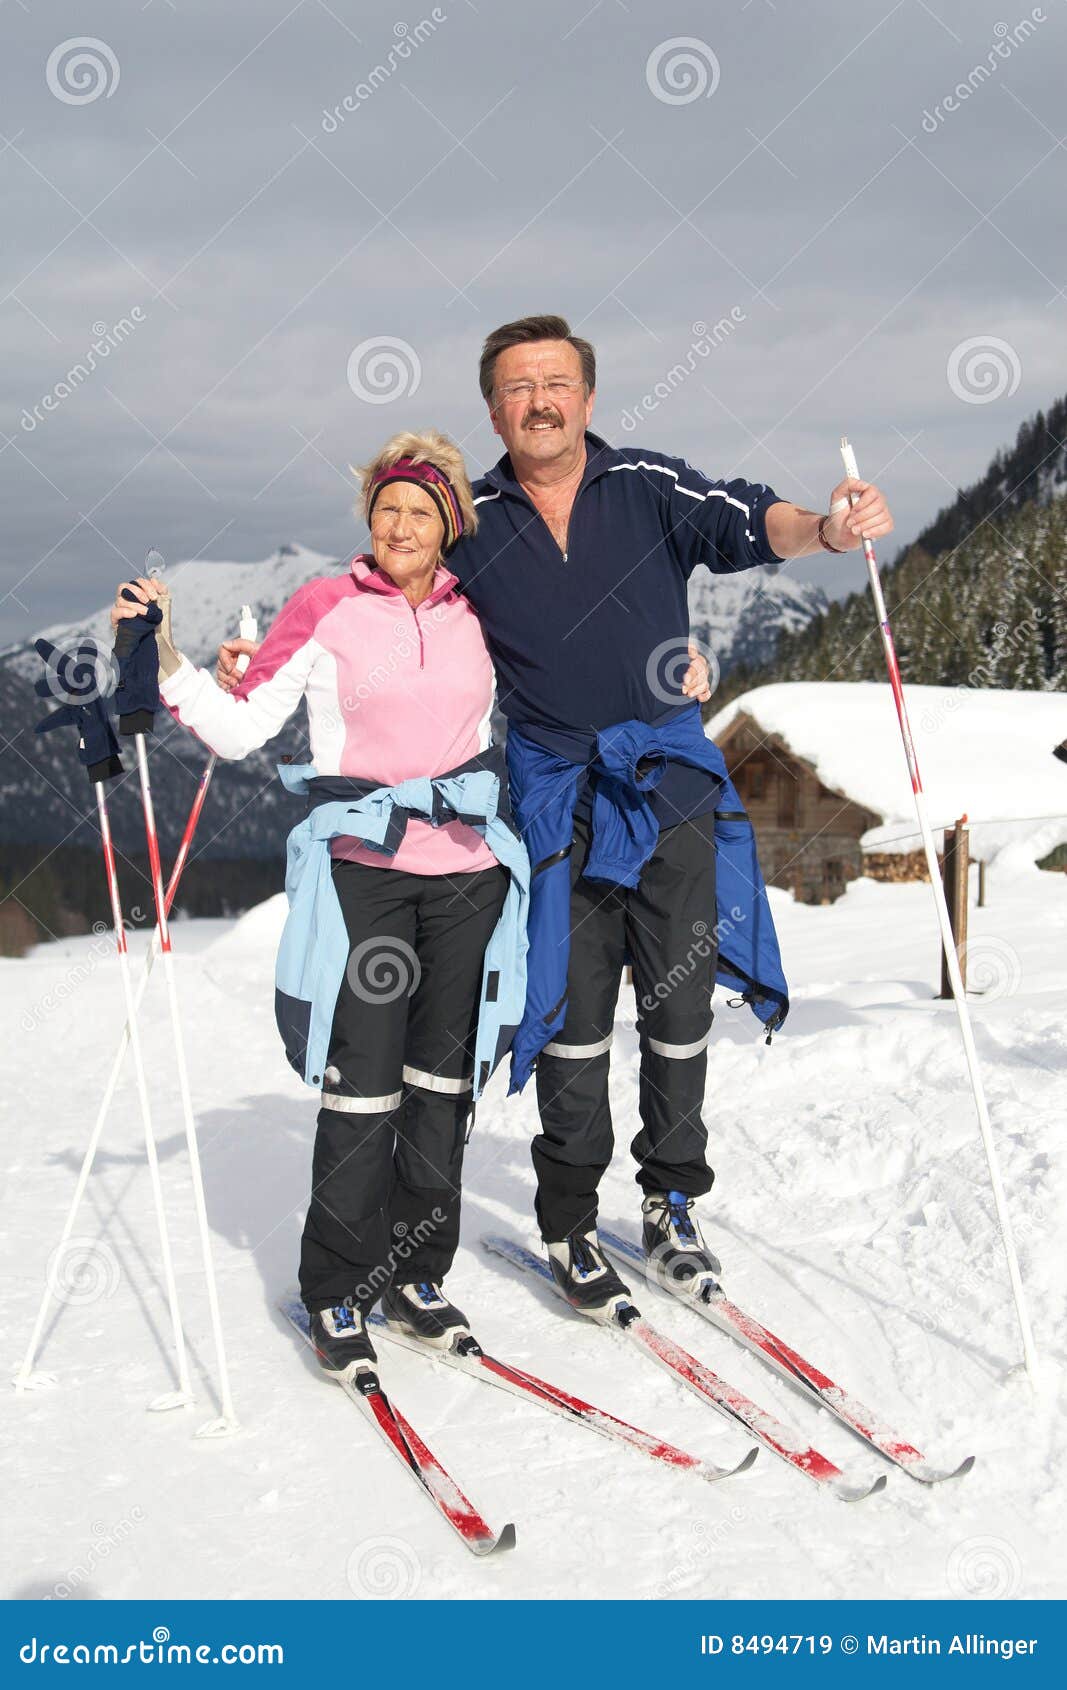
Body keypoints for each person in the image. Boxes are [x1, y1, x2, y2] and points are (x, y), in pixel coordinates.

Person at [219, 316, 894, 1323]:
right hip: (552, 795)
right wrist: (267, 661)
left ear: (586, 396)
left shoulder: (650, 488)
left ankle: (670, 1200)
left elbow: (756, 525)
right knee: (573, 1022)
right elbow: (386, 591)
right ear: (493, 409)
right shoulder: (475, 517)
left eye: (555, 382)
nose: (538, 400)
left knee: (674, 1014)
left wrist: (832, 530)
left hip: (664, 782)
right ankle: (569, 1217)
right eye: (516, 387)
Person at [111, 431, 530, 1383]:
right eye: (386, 508)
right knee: (364, 1086)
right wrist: (167, 654)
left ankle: (417, 1275)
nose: (400, 525)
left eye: (420, 511)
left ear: (450, 524)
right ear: (368, 519)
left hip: (467, 872)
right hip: (365, 872)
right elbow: (241, 725)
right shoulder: (326, 606)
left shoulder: (481, 613)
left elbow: (547, 688)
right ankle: (336, 1286)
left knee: (440, 1085)